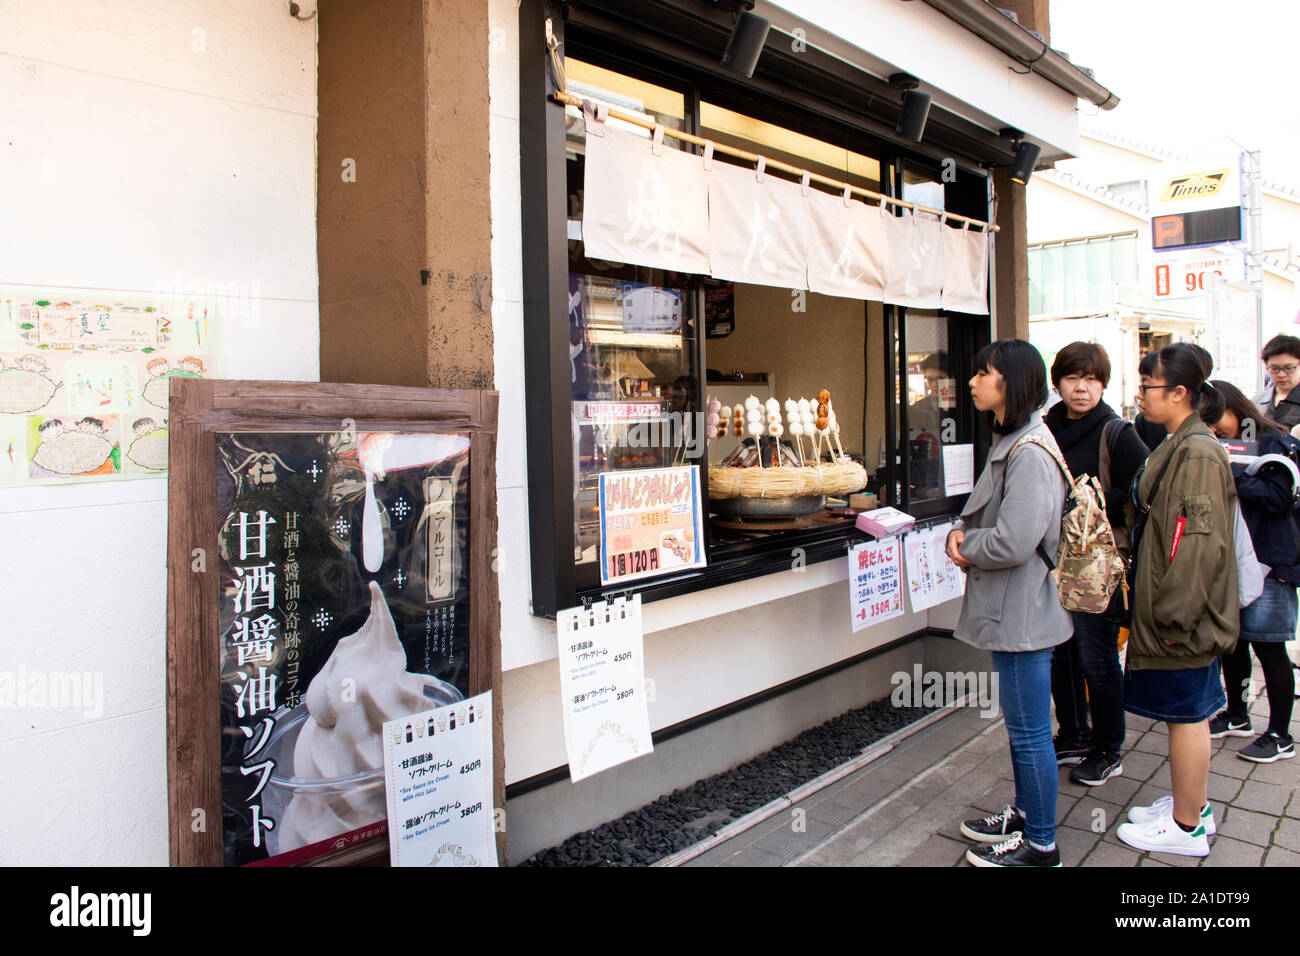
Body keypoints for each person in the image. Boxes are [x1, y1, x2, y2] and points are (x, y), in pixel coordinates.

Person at [946, 339, 1071, 867]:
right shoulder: (1017, 439)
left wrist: (964, 545)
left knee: (1029, 732)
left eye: (983, 373)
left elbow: (1014, 541)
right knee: (1024, 728)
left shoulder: (1030, 452)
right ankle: (1025, 814)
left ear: (1012, 383)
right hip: (1014, 607)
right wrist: (961, 531)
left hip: (1023, 612)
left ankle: (1042, 844)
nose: (972, 382)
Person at [1116, 345, 1238, 857]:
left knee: (1188, 714)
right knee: (1183, 712)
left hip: (1181, 617)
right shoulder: (1180, 442)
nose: (1140, 396)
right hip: (1173, 611)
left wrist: (1172, 615)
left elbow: (1196, 545)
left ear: (1180, 393)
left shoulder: (1197, 452)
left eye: (1147, 387)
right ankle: (1194, 806)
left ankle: (1187, 827)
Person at [1044, 342, 1150, 784]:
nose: (1081, 387)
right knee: (1058, 654)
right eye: (1072, 378)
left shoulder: (1115, 431)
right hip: (1051, 559)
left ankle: (1108, 747)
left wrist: (1093, 502)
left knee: (1096, 655)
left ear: (1103, 383)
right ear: (1058, 383)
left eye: (1090, 379)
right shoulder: (1046, 426)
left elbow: (1143, 490)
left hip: (1098, 565)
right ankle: (1072, 733)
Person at [1207, 380, 1297, 761]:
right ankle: (1239, 714)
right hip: (1233, 561)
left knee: (1270, 647)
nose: (1212, 426)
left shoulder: (1276, 440)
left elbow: (1279, 497)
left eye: (1215, 417)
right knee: (1234, 642)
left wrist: (1235, 474)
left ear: (1234, 408)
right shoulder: (1214, 445)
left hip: (1271, 562)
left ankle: (1279, 734)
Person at [1253, 334, 1300, 429]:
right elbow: (1248, 438)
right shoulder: (1256, 402)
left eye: (1289, 368)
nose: (1281, 374)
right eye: (1274, 369)